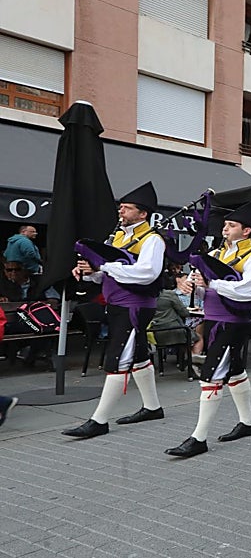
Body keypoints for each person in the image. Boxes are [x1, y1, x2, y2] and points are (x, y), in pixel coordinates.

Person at [166, 203, 251, 458]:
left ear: (246, 231)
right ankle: (248, 423)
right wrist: (195, 287)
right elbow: (209, 289)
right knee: (234, 370)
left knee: (211, 376)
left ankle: (198, 437)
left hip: (233, 322)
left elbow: (249, 291)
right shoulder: (216, 253)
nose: (225, 228)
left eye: (232, 225)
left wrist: (212, 283)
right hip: (213, 319)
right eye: (225, 224)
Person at [63, 182, 165, 439]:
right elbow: (105, 277)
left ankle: (99, 420)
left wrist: (105, 266)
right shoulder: (117, 236)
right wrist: (91, 271)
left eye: (128, 207)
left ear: (143, 214)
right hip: (117, 304)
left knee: (117, 359)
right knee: (139, 356)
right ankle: (153, 408)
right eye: (121, 206)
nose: (121, 210)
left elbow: (147, 273)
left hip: (135, 306)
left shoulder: (153, 240)